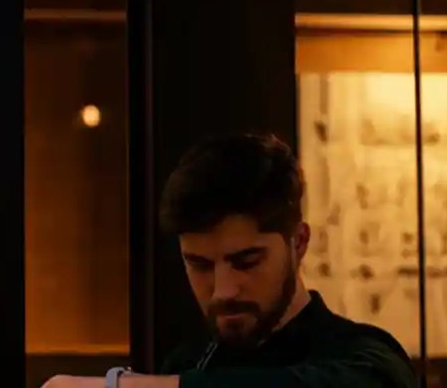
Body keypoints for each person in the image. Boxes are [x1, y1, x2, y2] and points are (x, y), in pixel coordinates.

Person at [44, 132, 417, 388]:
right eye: (200, 265)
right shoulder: (187, 363)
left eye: (247, 261)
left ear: (298, 243)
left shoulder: (367, 362)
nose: (223, 290)